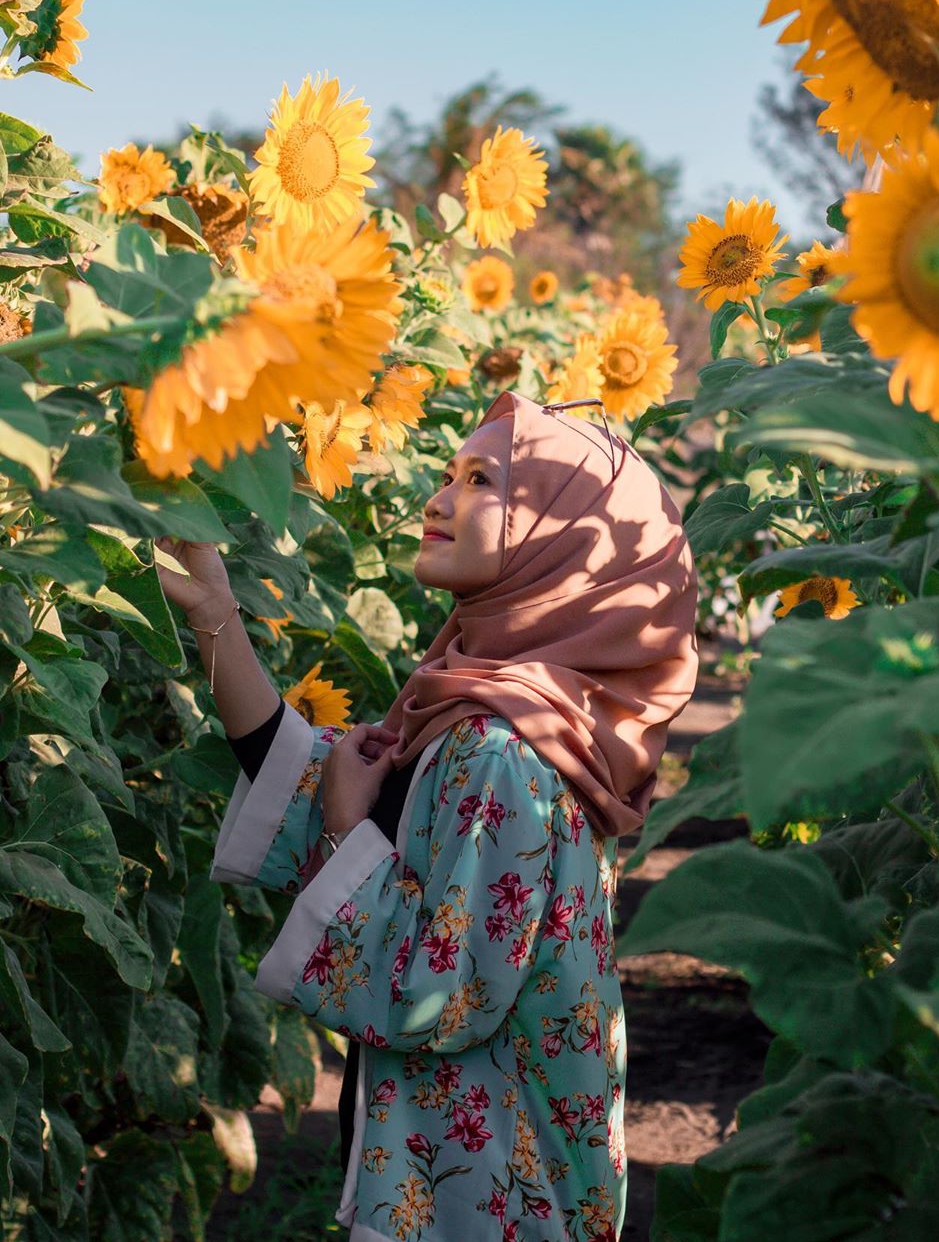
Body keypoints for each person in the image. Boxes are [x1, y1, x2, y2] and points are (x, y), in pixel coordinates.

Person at [155, 390, 698, 1242]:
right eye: (447, 473)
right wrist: (216, 613)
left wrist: (344, 830)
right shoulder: (494, 717)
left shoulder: (501, 752)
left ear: (566, 541)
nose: (436, 498)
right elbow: (311, 776)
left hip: (485, 1198)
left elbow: (435, 994)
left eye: (481, 479)